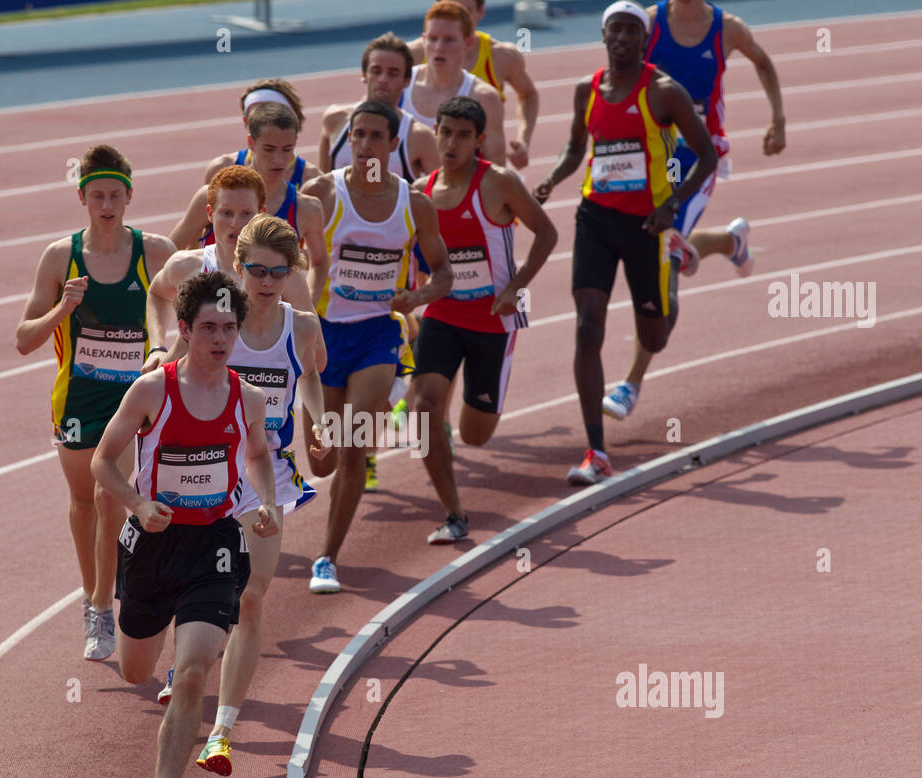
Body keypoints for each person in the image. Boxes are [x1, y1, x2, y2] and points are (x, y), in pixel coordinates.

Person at [91, 270, 279, 778]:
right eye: (207, 328)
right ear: (183, 328)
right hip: (151, 543)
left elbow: (258, 455)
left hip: (212, 544)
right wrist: (137, 504)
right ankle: (148, 649)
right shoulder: (152, 390)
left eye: (228, 328)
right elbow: (102, 462)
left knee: (194, 673)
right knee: (137, 670)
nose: (219, 338)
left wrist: (264, 502)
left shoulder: (245, 396)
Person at [143, 215, 330, 771]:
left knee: (249, 597)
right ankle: (185, 663)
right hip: (201, 470)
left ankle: (221, 730)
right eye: (255, 269)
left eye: (278, 271)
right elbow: (178, 377)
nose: (266, 281)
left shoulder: (302, 327)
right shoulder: (219, 323)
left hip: (263, 475)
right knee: (196, 585)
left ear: (291, 271)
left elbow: (312, 382)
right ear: (238, 264)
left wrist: (321, 428)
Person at [533, 1, 716, 484]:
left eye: (632, 31)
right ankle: (596, 451)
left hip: (646, 228)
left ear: (644, 39)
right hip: (595, 218)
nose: (622, 39)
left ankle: (673, 264)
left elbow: (706, 155)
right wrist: (552, 179)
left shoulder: (663, 92)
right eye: (614, 30)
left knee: (654, 333)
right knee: (588, 327)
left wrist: (671, 205)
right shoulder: (586, 91)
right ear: (603, 35)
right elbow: (577, 148)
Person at [15, 144, 175, 660]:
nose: (107, 204)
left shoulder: (155, 253)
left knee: (112, 499)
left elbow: (187, 313)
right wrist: (64, 307)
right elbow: (23, 338)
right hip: (78, 398)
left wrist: (162, 350)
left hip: (136, 397)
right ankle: (94, 598)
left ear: (129, 196)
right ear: (82, 196)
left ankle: (106, 607)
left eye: (116, 195)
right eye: (97, 195)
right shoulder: (62, 256)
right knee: (85, 504)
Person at [601, 0, 786, 421]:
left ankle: (631, 383)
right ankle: (727, 241)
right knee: (660, 244)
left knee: (660, 259)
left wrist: (778, 119)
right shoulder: (646, 23)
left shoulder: (728, 29)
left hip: (699, 159)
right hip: (648, 157)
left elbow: (764, 63)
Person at [300, 99, 453, 593]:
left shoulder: (415, 204)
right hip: (324, 337)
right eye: (356, 135)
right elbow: (288, 258)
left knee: (352, 448)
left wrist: (419, 295)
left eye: (374, 136)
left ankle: (327, 557)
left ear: (393, 144)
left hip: (378, 336)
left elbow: (443, 271)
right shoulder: (321, 194)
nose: (364, 144)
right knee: (321, 460)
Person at [412, 97, 556, 543]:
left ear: (478, 140)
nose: (452, 142)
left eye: (462, 134)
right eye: (445, 131)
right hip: (443, 314)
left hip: (494, 322)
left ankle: (453, 426)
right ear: (434, 132)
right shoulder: (420, 192)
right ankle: (455, 514)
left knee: (475, 435)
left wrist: (516, 287)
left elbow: (547, 233)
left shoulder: (498, 183)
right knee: (422, 411)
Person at [170, 101, 328, 289]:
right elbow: (171, 250)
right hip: (216, 311)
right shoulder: (211, 196)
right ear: (251, 143)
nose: (278, 159)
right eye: (269, 149)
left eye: (287, 149)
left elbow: (319, 263)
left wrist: (306, 304)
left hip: (267, 314)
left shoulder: (306, 208)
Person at [149, 165, 317, 338]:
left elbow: (316, 350)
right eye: (226, 213)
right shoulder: (186, 266)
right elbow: (157, 294)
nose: (236, 223)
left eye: (246, 213)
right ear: (210, 213)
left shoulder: (282, 274)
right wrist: (157, 346)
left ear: (261, 213)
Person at [408, 0, 540, 168]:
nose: (457, 14)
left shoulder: (501, 57)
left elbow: (528, 95)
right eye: (451, 7)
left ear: (481, 11)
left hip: (471, 175)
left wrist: (523, 138)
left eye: (466, 10)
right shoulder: (410, 57)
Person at [319, 32, 439, 182]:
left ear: (407, 80)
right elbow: (322, 185)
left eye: (392, 73)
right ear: (364, 74)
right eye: (376, 71)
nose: (383, 79)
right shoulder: (334, 120)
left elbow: (439, 194)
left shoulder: (419, 136)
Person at [399, 1, 505, 165]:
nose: (439, 47)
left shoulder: (484, 98)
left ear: (468, 43)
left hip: (459, 189)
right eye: (433, 39)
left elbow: (497, 167)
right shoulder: (400, 85)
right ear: (424, 39)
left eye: (449, 40)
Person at [204, 78, 323, 189]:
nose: (266, 120)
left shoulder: (312, 179)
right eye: (257, 117)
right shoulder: (220, 169)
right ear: (246, 122)